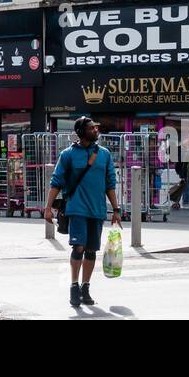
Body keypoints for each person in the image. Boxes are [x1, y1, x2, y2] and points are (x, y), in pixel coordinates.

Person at [43, 116, 121, 308]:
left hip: (97, 210)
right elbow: (56, 182)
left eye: (96, 127)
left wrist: (116, 209)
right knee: (78, 248)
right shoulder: (68, 155)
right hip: (76, 209)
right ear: (81, 132)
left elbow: (110, 183)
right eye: (92, 128)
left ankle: (85, 287)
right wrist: (48, 208)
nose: (96, 130)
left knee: (92, 250)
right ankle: (73, 286)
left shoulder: (104, 154)